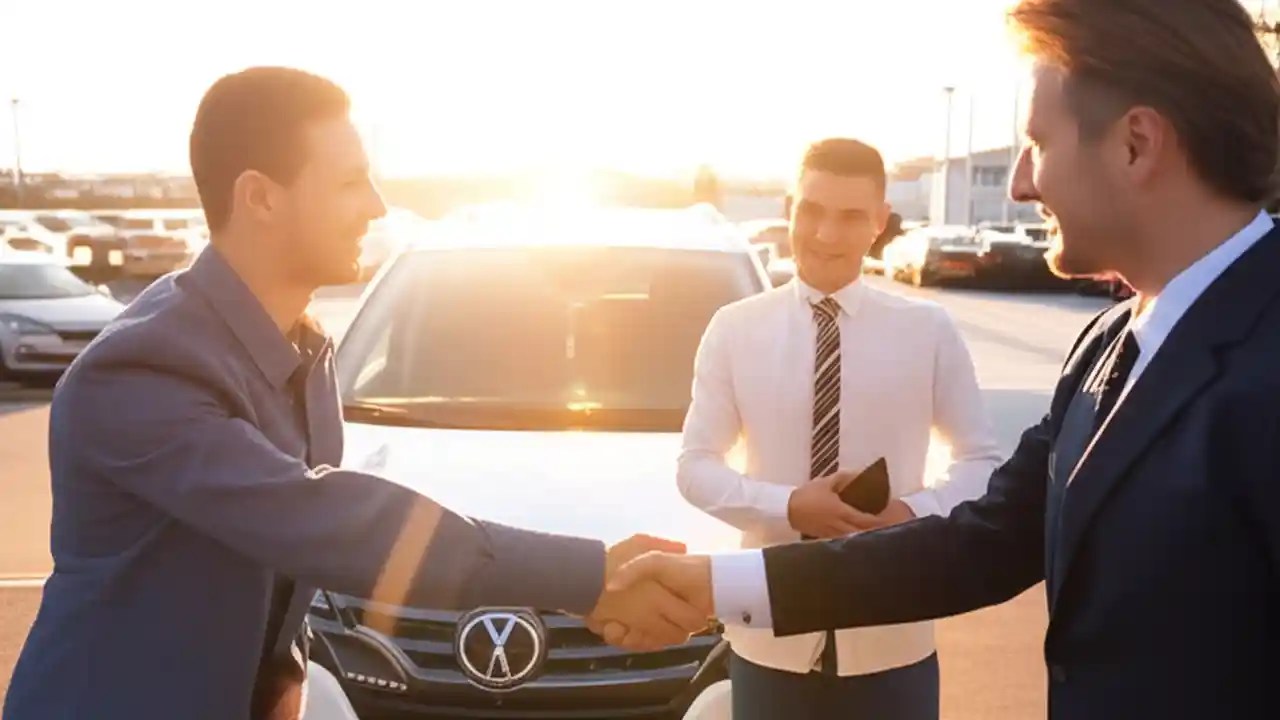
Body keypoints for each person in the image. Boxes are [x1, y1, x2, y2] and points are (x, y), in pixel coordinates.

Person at [608, 1, 1280, 717]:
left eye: (1039, 144)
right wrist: (718, 585)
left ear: (1135, 145)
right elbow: (979, 544)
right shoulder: (1106, 346)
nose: (1022, 184)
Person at [1, 67, 704, 720]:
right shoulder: (142, 372)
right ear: (260, 197)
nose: (375, 205)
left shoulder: (301, 346)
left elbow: (269, 568)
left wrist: (280, 672)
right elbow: (324, 519)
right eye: (349, 183)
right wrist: (586, 575)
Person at [675, 138, 1000, 719]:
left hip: (893, 636)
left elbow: (980, 463)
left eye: (851, 216)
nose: (826, 234)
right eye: (813, 211)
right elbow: (696, 467)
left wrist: (909, 515)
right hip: (768, 636)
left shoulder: (928, 331)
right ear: (789, 208)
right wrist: (789, 506)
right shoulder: (734, 329)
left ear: (879, 224)